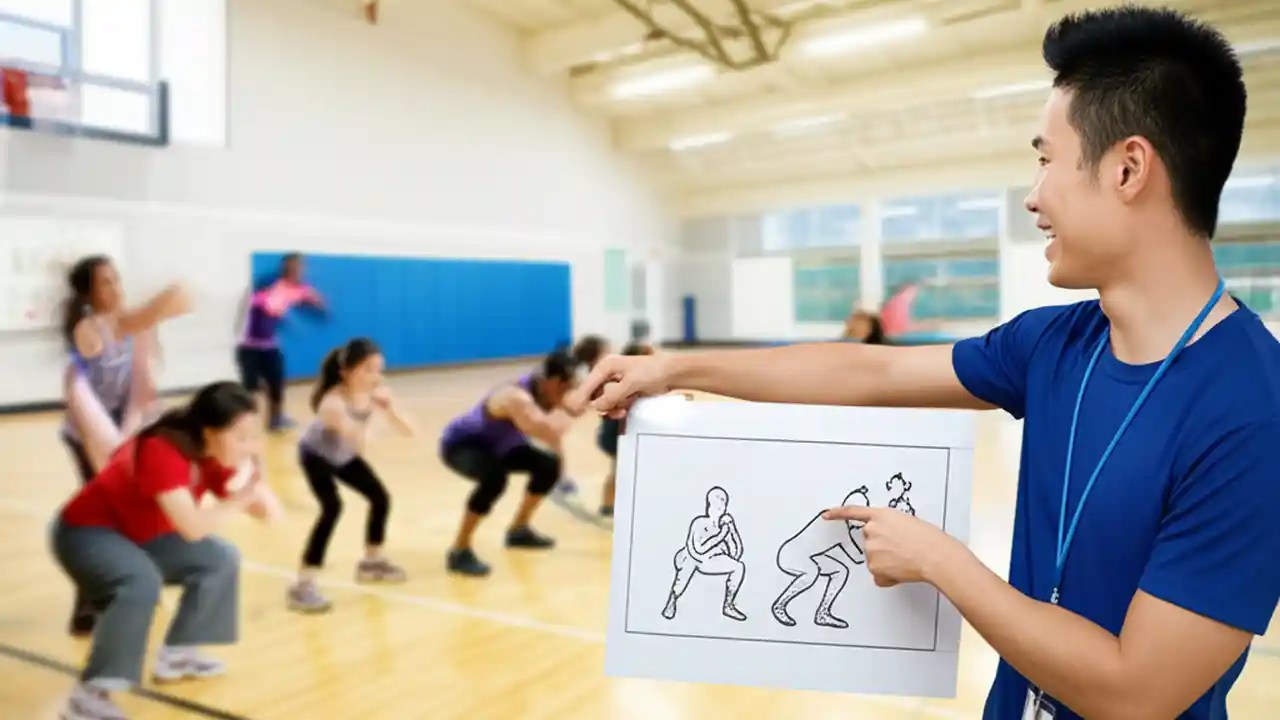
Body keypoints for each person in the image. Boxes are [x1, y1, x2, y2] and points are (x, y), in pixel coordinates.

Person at [569, 8, 1280, 720]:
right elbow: (867, 373)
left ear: (1128, 168)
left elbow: (1135, 694)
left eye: (1045, 160)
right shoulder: (1054, 344)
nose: (1033, 197)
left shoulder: (1254, 409)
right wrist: (673, 371)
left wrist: (940, 561)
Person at [51, 382, 281, 720]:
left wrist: (255, 485)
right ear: (210, 431)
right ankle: (88, 697)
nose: (249, 444)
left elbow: (261, 512)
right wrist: (242, 498)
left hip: (137, 535)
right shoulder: (162, 450)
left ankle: (178, 655)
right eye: (241, 436)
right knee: (139, 582)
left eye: (253, 436)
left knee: (220, 558)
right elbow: (192, 527)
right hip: (85, 534)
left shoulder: (209, 453)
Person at [59, 255, 192, 636]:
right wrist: (167, 301)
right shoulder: (89, 328)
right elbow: (133, 321)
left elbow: (140, 386)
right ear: (87, 293)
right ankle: (86, 603)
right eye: (105, 283)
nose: (115, 289)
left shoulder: (133, 328)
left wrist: (133, 432)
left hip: (121, 429)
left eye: (117, 280)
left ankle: (134, 583)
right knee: (98, 515)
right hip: (85, 433)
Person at [288, 338, 415, 614]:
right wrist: (373, 417)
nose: (375, 376)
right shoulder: (332, 404)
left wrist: (390, 408)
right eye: (368, 369)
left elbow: (409, 431)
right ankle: (303, 584)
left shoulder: (375, 392)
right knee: (332, 508)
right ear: (346, 371)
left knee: (380, 498)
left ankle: (371, 562)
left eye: (379, 369)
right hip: (317, 457)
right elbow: (360, 446)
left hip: (343, 453)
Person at [440, 350, 579, 577]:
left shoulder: (546, 390)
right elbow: (549, 433)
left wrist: (561, 474)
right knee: (495, 479)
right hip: (463, 445)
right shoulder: (516, 397)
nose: (569, 393)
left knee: (548, 465)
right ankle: (459, 550)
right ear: (553, 382)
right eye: (567, 387)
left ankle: (518, 531)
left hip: (502, 446)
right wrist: (569, 411)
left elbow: (556, 435)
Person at [235, 252, 325, 433]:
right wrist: (284, 305)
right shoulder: (268, 282)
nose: (297, 270)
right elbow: (267, 304)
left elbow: (316, 302)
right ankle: (243, 424)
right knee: (249, 388)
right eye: (292, 266)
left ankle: (275, 420)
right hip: (248, 346)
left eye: (300, 267)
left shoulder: (298, 288)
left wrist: (314, 301)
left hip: (270, 346)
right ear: (284, 267)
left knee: (277, 384)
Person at [661, 487, 747, 622]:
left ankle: (728, 605)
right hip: (691, 557)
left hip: (710, 561)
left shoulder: (723, 526)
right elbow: (698, 550)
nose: (719, 511)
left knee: (739, 567)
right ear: (709, 507)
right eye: (716, 507)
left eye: (722, 507)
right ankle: (672, 599)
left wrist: (732, 530)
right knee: (685, 570)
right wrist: (721, 535)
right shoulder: (700, 523)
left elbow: (736, 554)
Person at [595, 341, 654, 516]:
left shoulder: (635, 377)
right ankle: (607, 505)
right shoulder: (622, 379)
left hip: (619, 430)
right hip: (615, 432)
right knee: (618, 470)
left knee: (621, 469)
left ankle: (612, 503)